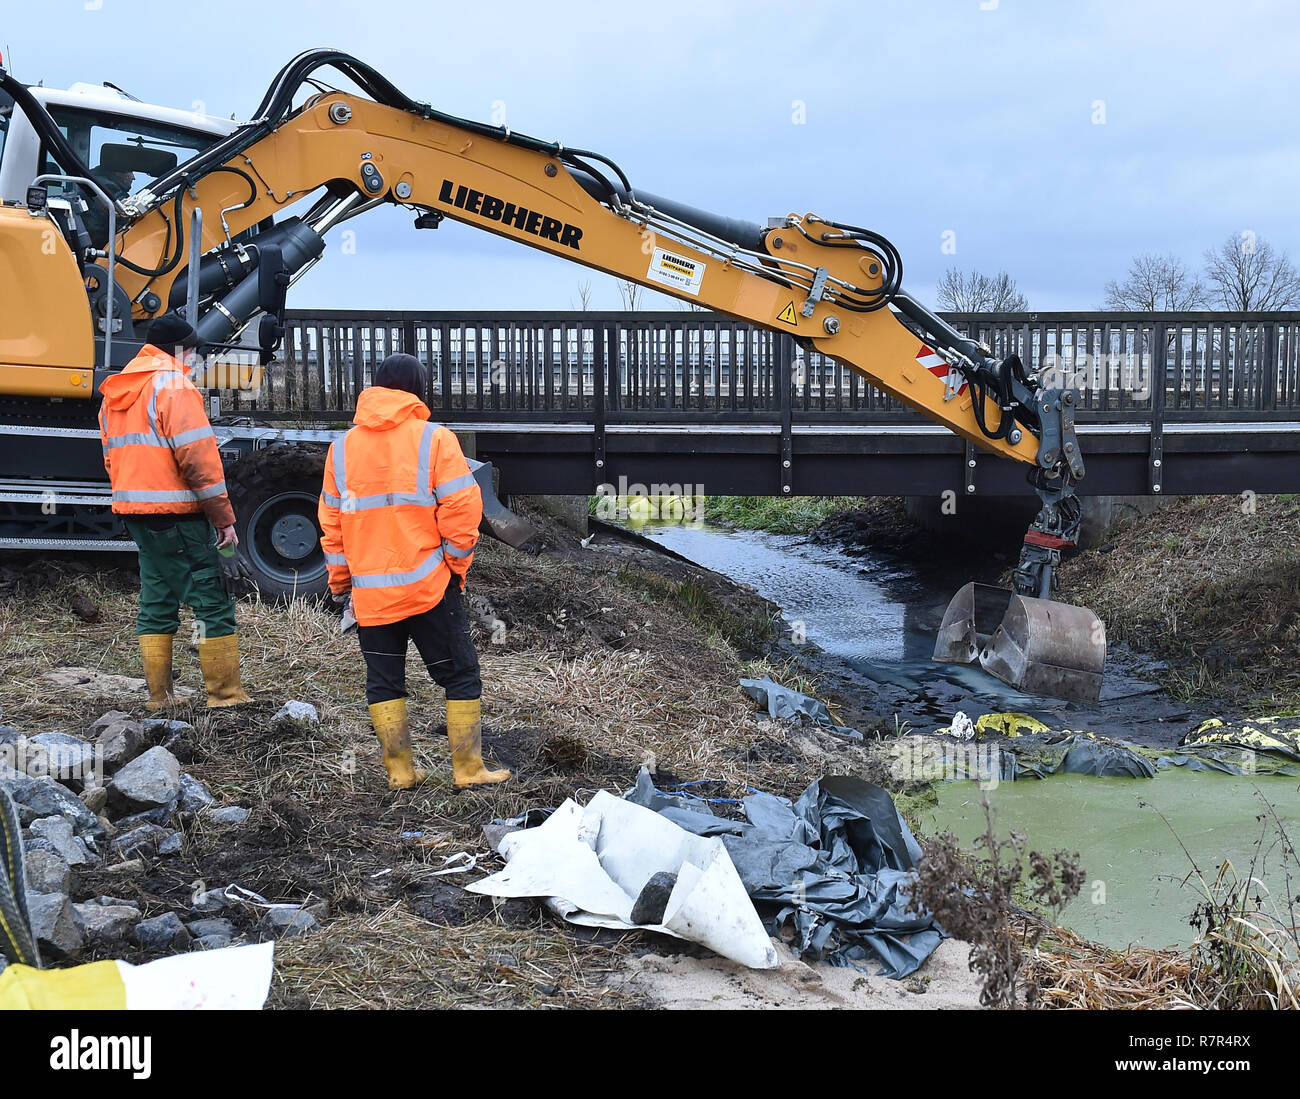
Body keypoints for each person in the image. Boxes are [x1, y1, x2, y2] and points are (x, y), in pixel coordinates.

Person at [318, 353, 509, 790]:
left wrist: (342, 582)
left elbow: (331, 523)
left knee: (384, 680)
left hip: (370, 595)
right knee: (460, 674)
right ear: (419, 391)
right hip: (427, 588)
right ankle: (468, 769)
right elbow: (463, 511)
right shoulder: (435, 440)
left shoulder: (342, 448)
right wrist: (455, 568)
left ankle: (400, 773)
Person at [97, 314, 252, 709]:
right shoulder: (174, 385)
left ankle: (158, 698)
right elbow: (198, 460)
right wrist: (223, 518)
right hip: (178, 515)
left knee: (158, 597)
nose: (195, 359)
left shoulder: (117, 392)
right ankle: (225, 697)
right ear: (184, 349)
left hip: (137, 515)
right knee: (211, 600)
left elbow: (111, 460)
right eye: (194, 351)